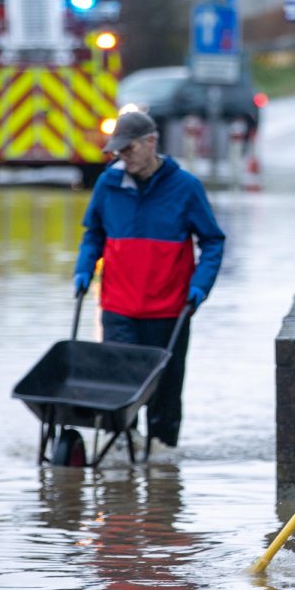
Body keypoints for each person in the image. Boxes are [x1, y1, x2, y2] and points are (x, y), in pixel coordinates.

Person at [73, 111, 225, 448]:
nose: (122, 158)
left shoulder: (185, 188)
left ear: (151, 143)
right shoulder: (108, 185)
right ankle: (119, 459)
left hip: (170, 310)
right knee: (118, 388)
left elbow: (213, 241)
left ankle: (162, 468)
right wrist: (84, 267)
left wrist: (200, 287)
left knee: (165, 395)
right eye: (117, 152)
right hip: (118, 307)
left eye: (128, 150)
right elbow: (93, 234)